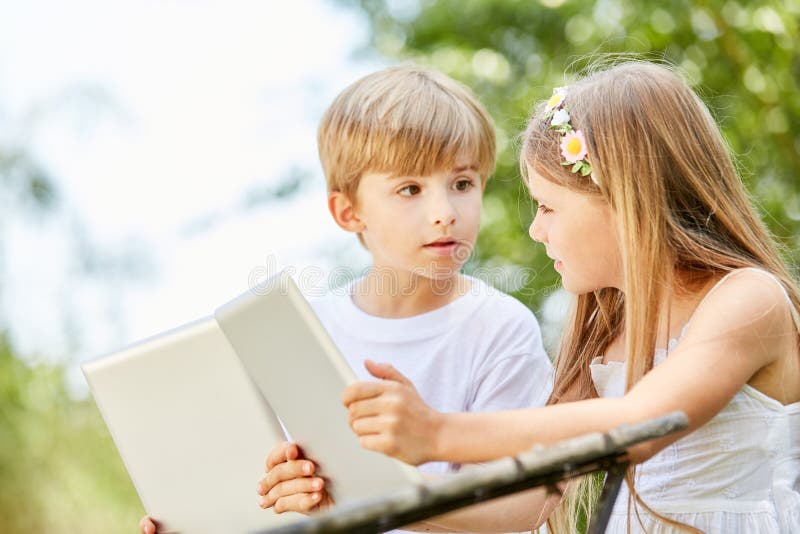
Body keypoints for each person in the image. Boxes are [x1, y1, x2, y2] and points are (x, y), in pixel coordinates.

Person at [262, 60, 800, 533]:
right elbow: (539, 498)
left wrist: (437, 433)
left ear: (624, 201)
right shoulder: (606, 329)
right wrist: (379, 500)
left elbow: (640, 427)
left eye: (547, 207)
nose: (536, 231)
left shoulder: (748, 300)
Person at [139, 65, 554, 534]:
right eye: (410, 189)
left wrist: (378, 493)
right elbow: (275, 491)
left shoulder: (500, 329)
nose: (444, 214)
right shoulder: (305, 332)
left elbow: (515, 511)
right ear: (348, 211)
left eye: (462, 183)